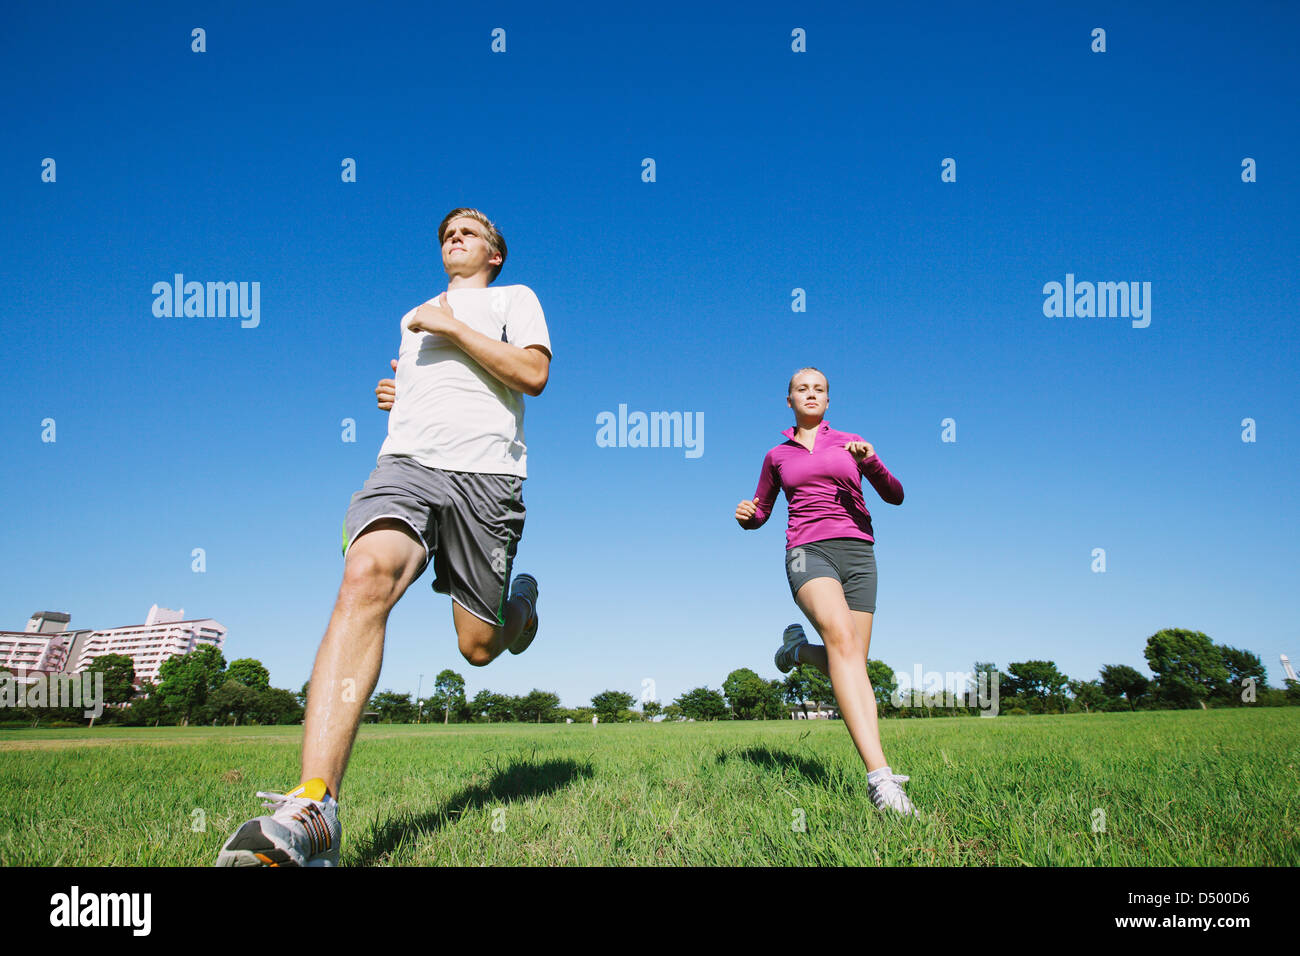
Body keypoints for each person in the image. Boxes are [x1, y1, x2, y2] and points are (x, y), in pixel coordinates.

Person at [216, 208, 553, 866]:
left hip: (488, 479)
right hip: (409, 466)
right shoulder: (415, 313)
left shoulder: (515, 299)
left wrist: (452, 329)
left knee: (479, 648)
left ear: (495, 254)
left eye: (470, 232)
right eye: (447, 232)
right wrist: (402, 395)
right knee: (366, 571)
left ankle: (522, 607)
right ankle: (313, 806)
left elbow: (532, 376)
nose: (455, 237)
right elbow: (441, 386)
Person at [735, 367, 917, 816]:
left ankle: (795, 652)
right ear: (789, 400)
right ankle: (881, 780)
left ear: (829, 401)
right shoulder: (776, 455)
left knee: (853, 659)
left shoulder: (852, 443)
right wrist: (748, 516)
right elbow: (761, 512)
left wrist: (871, 460)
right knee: (843, 641)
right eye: (802, 389)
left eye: (819, 389)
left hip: (859, 553)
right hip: (807, 551)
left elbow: (895, 495)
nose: (811, 394)